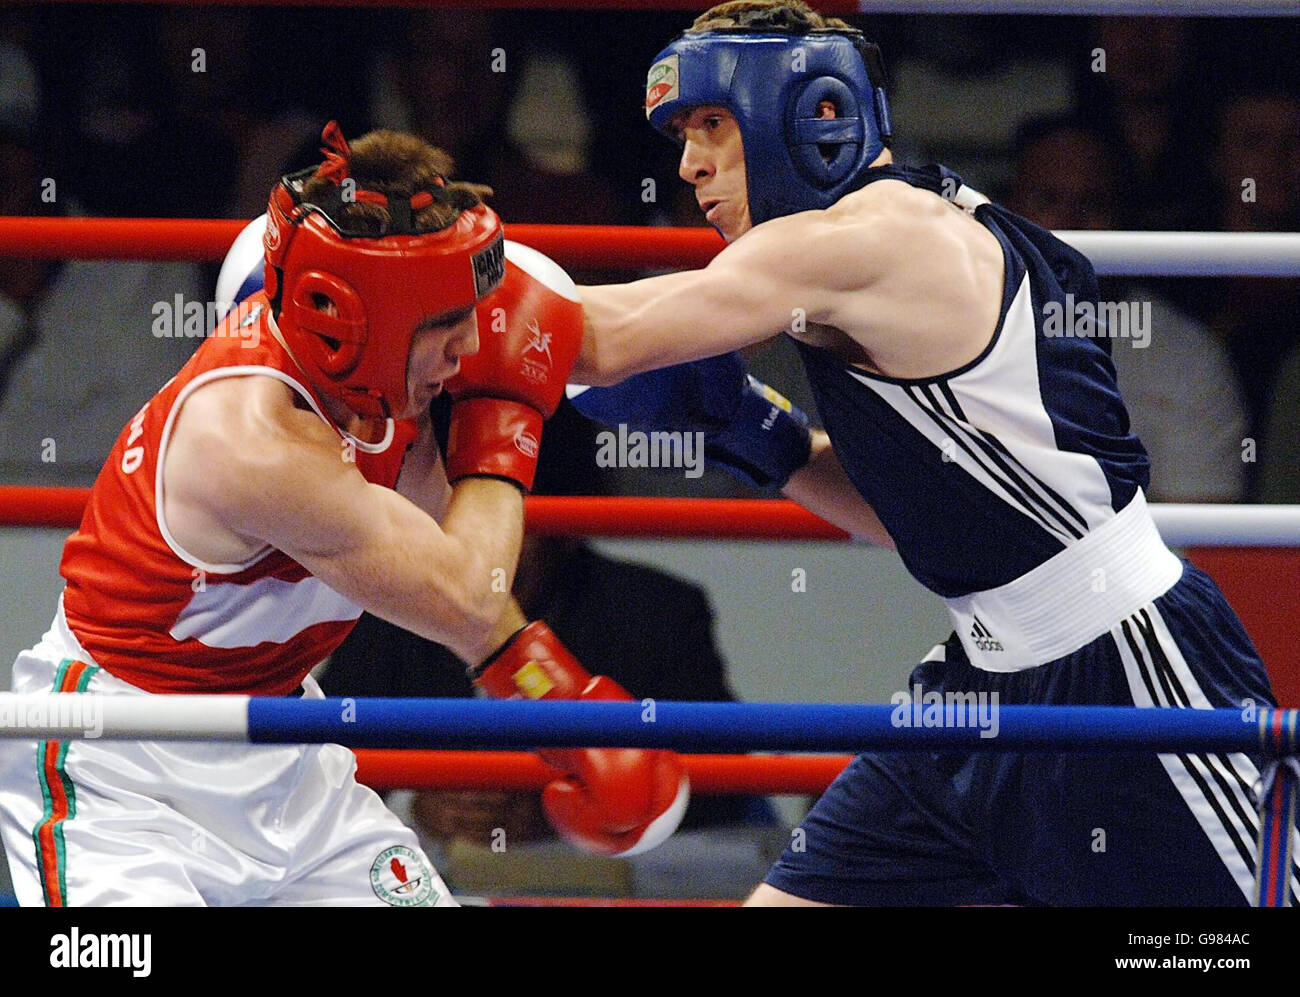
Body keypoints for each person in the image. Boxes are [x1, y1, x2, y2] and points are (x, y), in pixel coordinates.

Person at [567, 0, 1291, 906]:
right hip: (980, 684)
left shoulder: (868, 239)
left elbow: (593, 337)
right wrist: (763, 437)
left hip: (1127, 675)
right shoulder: (864, 246)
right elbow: (915, 516)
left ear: (808, 111)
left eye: (711, 124)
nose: (688, 164)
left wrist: (427, 261)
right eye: (680, 135)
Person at [0, 123, 686, 906]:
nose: (469, 346)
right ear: (362, 317)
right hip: (122, 768)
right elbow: (466, 589)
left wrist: (559, 698)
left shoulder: (386, 396)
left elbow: (461, 582)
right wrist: (507, 412)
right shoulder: (253, 440)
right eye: (446, 323)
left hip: (285, 751)